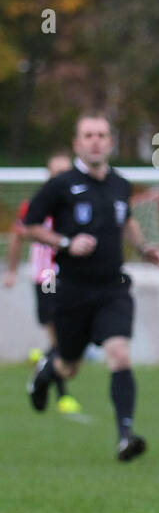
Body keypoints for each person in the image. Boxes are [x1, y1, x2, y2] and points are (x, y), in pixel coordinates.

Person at [24, 114, 159, 460]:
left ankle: (125, 436)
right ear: (77, 143)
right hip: (72, 290)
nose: (95, 141)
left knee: (119, 354)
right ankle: (46, 372)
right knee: (69, 366)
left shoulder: (120, 183)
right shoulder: (61, 185)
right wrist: (65, 242)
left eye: (102, 135)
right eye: (88, 135)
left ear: (110, 142)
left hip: (112, 288)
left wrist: (144, 247)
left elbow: (127, 220)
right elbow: (30, 226)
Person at [5, 150, 83, 414]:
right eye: (55, 171)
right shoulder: (36, 203)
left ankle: (44, 367)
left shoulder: (79, 203)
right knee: (59, 336)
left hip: (74, 278)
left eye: (65, 171)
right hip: (47, 276)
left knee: (70, 338)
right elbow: (18, 236)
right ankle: (62, 395)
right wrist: (12, 270)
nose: (60, 176)